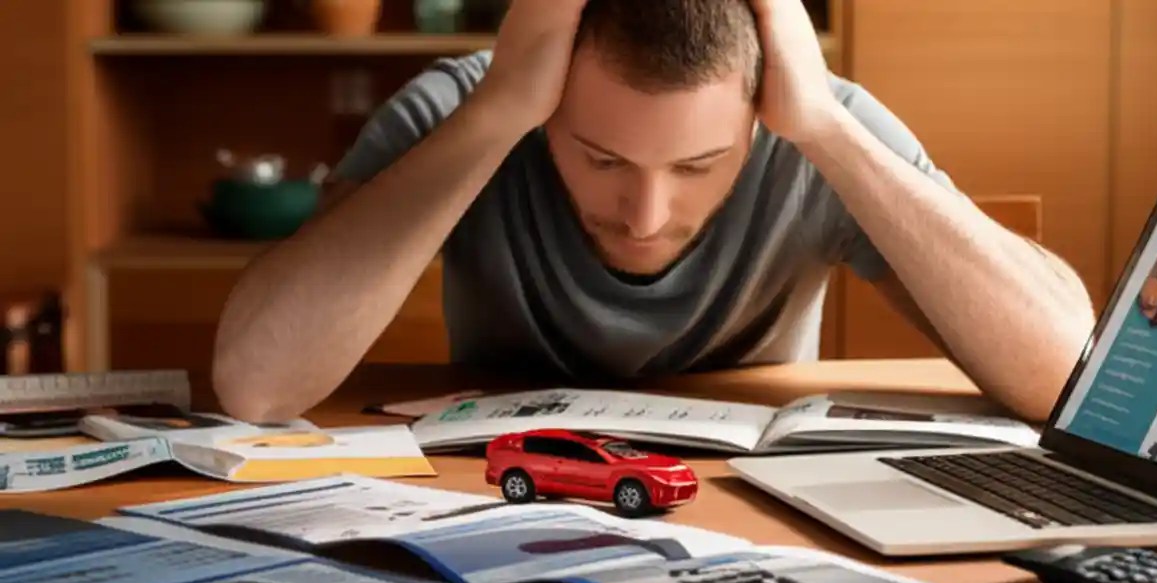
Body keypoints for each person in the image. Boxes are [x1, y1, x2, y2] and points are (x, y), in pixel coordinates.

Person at [212, 0, 1095, 425]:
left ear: (757, 114)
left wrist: (824, 124)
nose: (643, 215)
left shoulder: (813, 121)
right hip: (501, 506)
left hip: (754, 515)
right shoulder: (470, 111)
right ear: (542, 94)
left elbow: (1068, 378)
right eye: (600, 158)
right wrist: (493, 117)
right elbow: (257, 384)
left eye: (700, 165)